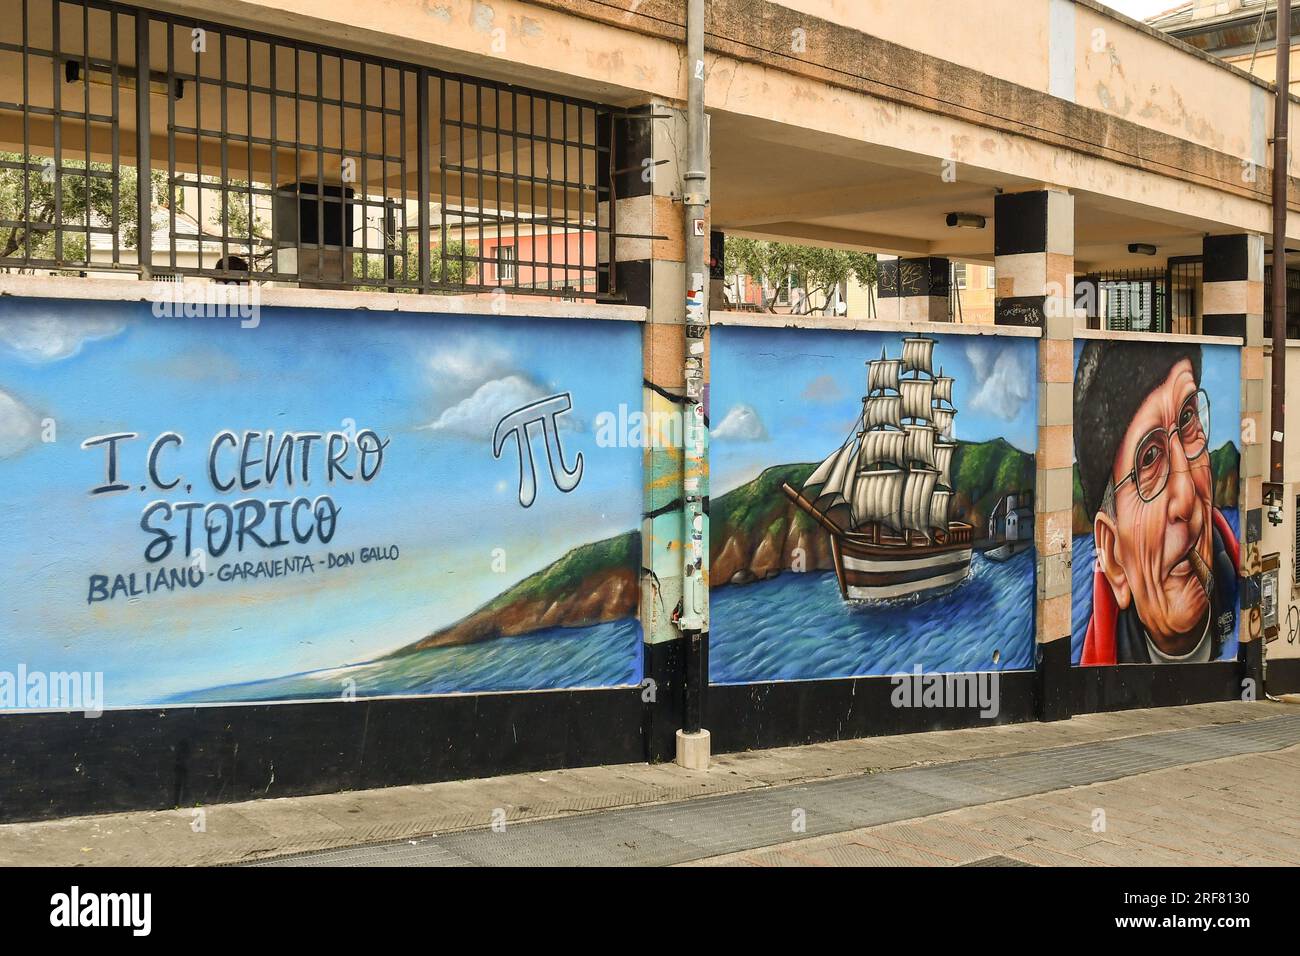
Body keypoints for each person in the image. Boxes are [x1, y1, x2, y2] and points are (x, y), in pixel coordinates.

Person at [1074, 341, 1238, 665]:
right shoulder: (1099, 687)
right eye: (1149, 457)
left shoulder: (1245, 598)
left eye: (1189, 418)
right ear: (1114, 556)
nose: (1187, 497)